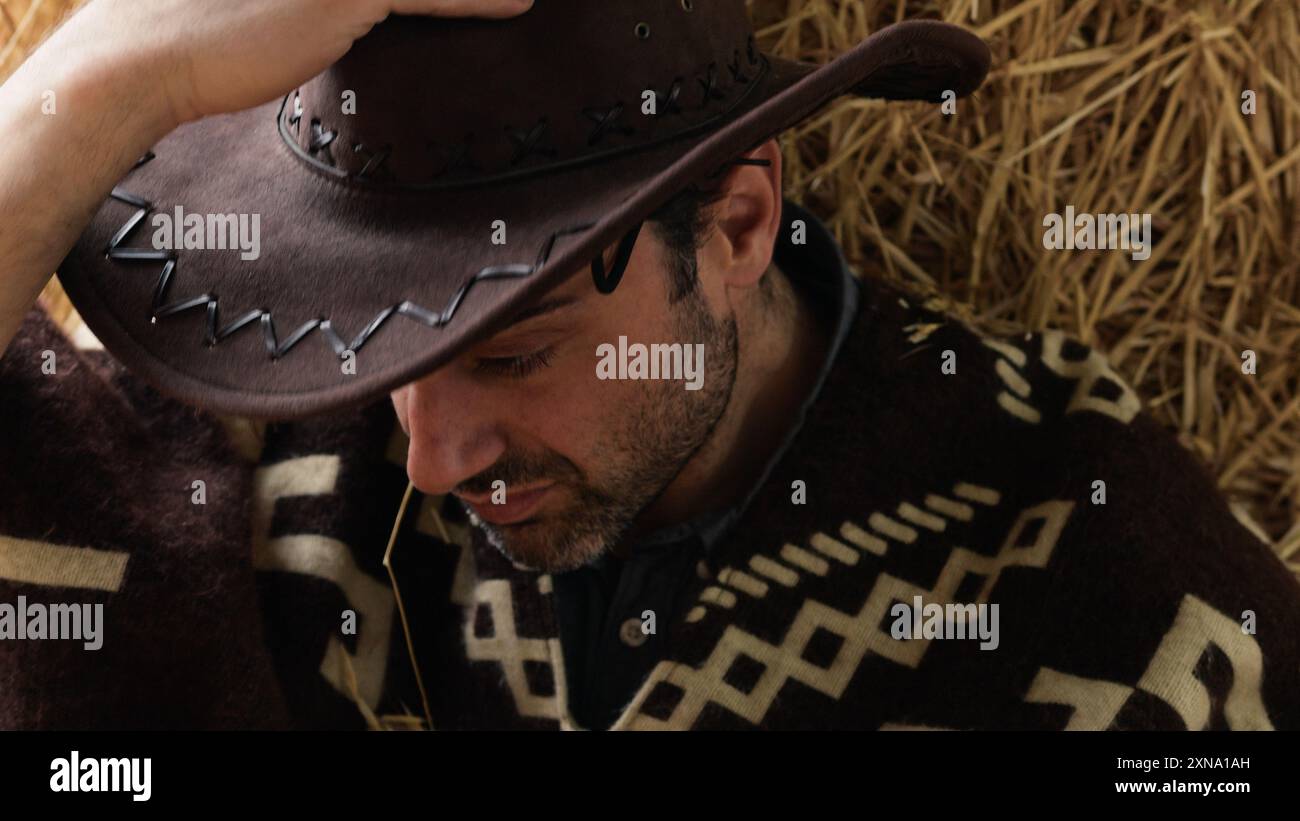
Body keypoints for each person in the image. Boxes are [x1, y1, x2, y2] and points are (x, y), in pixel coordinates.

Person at [1, 0, 1297, 731]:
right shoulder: (279, 403)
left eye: (510, 353)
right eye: (392, 345)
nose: (431, 456)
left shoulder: (1102, 584)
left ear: (735, 229)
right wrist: (104, 82)